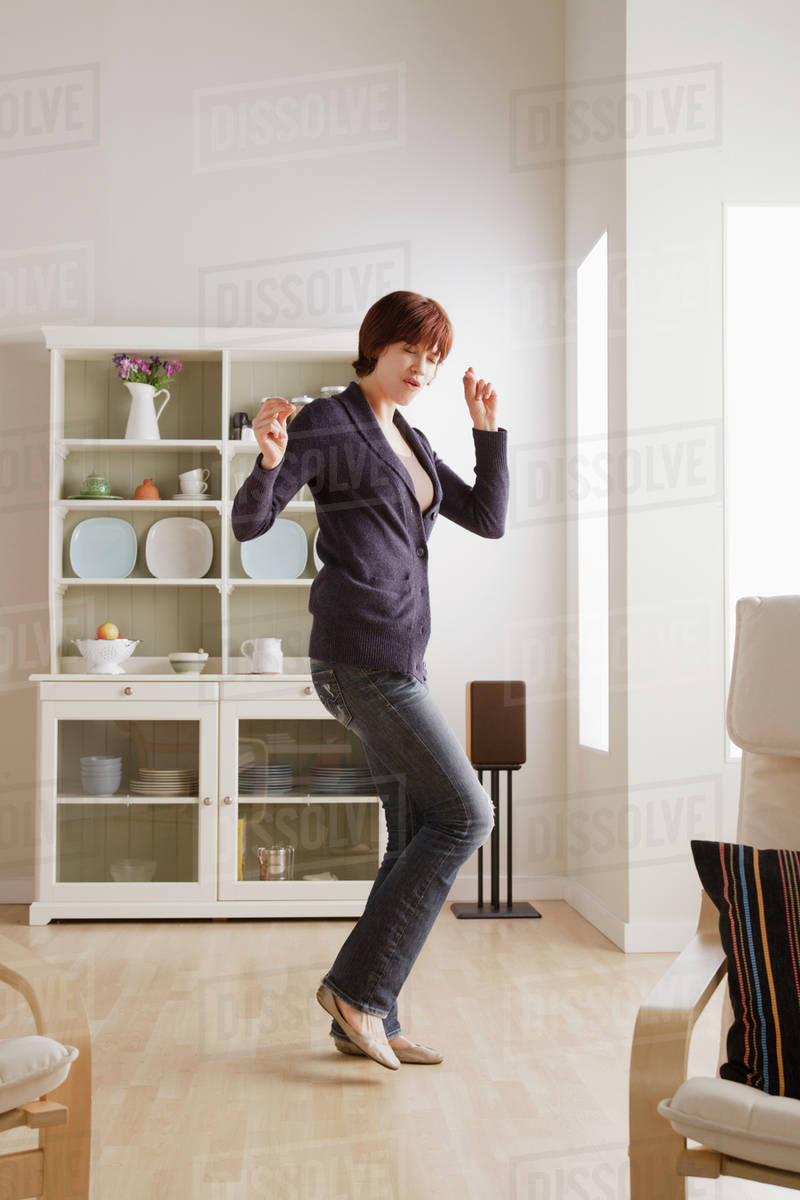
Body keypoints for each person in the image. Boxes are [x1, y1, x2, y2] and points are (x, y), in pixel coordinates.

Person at [232, 290, 509, 1070]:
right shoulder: (327, 422)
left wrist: (488, 434)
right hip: (360, 660)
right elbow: (250, 524)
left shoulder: (412, 435)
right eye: (411, 350)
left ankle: (370, 1015)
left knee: (412, 837)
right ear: (375, 346)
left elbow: (485, 517)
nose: (423, 366)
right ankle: (355, 993)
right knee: (466, 816)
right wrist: (270, 460)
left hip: (400, 661)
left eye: (435, 356)